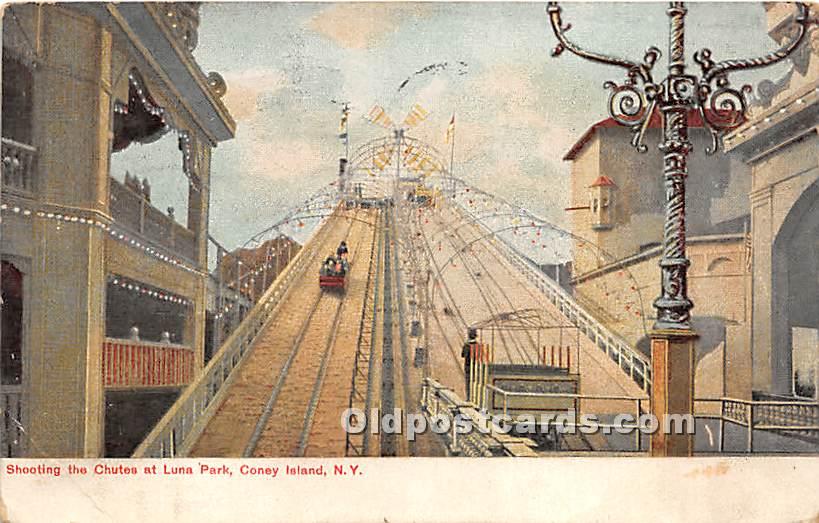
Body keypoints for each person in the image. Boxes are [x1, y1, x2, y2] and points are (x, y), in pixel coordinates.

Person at [461, 328, 478, 401]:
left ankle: (468, 398)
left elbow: (462, 355)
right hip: (476, 366)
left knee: (468, 383)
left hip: (468, 367)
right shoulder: (477, 345)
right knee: (475, 382)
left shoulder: (466, 345)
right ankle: (475, 398)